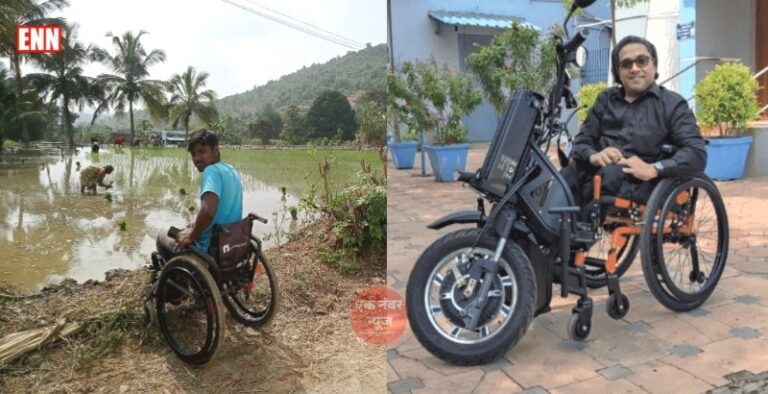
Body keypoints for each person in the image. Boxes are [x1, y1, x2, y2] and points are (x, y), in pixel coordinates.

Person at [561, 35, 707, 207]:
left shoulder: (672, 105)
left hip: (644, 183)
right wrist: (595, 156)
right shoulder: (606, 100)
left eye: (642, 61)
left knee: (608, 176)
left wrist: (654, 168)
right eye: (626, 64)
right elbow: (582, 142)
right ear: (618, 72)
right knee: (564, 177)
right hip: (598, 175)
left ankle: (571, 228)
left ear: (654, 65)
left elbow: (696, 153)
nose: (634, 68)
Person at [156, 129, 243, 259]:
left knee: (162, 236)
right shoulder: (230, 169)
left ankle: (178, 274)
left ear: (215, 150)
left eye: (202, 152)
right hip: (229, 242)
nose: (197, 158)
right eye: (193, 154)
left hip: (209, 248)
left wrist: (191, 236)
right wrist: (195, 225)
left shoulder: (211, 171)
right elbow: (221, 212)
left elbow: (208, 212)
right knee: (189, 226)